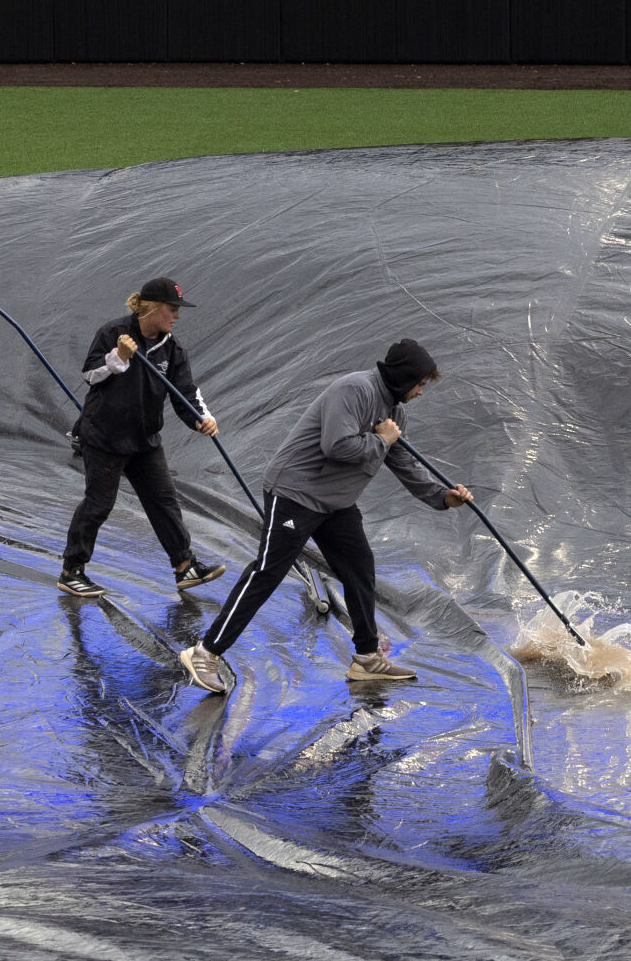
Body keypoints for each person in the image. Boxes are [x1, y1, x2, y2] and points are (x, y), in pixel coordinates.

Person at [178, 339, 472, 692]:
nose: (422, 391)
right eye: (420, 383)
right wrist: (381, 441)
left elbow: (403, 463)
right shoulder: (354, 390)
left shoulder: (396, 411)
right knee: (268, 572)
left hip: (335, 504)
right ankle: (205, 652)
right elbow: (336, 445)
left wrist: (443, 498)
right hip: (295, 494)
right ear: (403, 377)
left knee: (360, 567)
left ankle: (367, 658)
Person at [57, 277, 227, 598]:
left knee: (164, 501)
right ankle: (72, 570)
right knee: (99, 504)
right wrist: (118, 358)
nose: (176, 316)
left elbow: (185, 394)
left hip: (144, 440)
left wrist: (202, 419)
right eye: (171, 309)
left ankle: (184, 566)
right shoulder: (113, 333)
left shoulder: (173, 349)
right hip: (104, 437)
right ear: (151, 308)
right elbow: (89, 375)